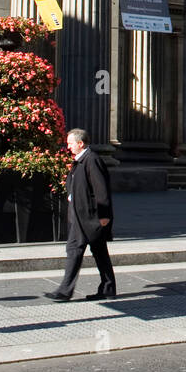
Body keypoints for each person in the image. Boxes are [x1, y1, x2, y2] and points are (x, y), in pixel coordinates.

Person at [44, 129, 116, 302]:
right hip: (81, 216)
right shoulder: (81, 161)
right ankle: (107, 288)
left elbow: (101, 190)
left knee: (77, 250)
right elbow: (75, 183)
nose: (68, 146)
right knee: (95, 252)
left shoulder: (92, 160)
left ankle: (65, 291)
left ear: (80, 143)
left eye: (70, 143)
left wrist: (104, 215)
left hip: (90, 217)